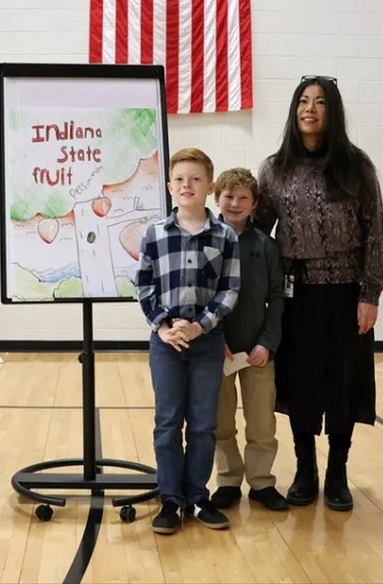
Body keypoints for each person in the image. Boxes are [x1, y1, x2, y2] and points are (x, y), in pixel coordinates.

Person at [255, 75, 383, 511]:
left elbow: (375, 233)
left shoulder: (356, 166)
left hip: (348, 294)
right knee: (301, 384)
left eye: (320, 102)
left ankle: (338, 473)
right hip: (297, 295)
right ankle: (305, 470)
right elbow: (258, 234)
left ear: (333, 112)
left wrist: (370, 293)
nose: (309, 108)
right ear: (294, 111)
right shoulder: (275, 169)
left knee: (342, 385)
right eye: (303, 101)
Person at [136, 147, 241, 535]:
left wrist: (201, 326)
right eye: (179, 179)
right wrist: (163, 327)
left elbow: (230, 289)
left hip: (207, 342)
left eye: (195, 179)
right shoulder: (154, 233)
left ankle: (197, 496)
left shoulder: (225, 235)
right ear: (169, 186)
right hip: (166, 343)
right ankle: (170, 499)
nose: (186, 185)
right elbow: (144, 286)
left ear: (209, 186)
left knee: (201, 424)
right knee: (167, 423)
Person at [209, 167, 289, 512]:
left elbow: (278, 296)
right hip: (218, 349)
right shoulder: (206, 240)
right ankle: (227, 481)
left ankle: (261, 483)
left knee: (261, 422)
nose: (236, 203)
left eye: (244, 198)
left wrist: (267, 343)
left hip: (258, 351)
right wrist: (215, 339)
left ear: (255, 204)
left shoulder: (266, 246)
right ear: (217, 199)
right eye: (229, 196)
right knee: (220, 421)